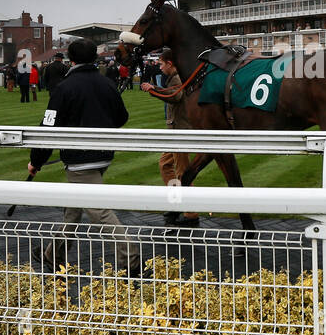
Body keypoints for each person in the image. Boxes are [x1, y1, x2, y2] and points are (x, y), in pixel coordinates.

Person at [27, 38, 141, 276]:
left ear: (72, 58)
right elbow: (121, 117)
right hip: (103, 155)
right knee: (73, 209)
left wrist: (36, 161)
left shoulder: (64, 87)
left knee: (99, 212)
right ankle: (52, 254)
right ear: (95, 58)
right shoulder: (107, 83)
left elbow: (48, 128)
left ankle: (131, 259)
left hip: (80, 160)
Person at [141, 47, 199, 228]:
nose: (159, 68)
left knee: (183, 172)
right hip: (176, 130)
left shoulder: (177, 77)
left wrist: (153, 89)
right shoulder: (175, 76)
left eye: (161, 64)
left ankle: (191, 214)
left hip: (181, 131)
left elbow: (176, 96)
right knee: (165, 165)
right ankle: (177, 203)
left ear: (169, 63)